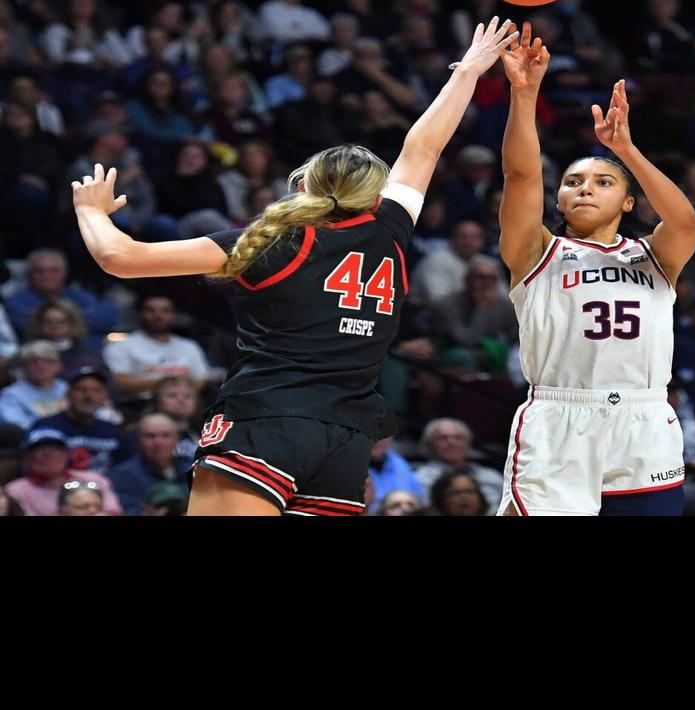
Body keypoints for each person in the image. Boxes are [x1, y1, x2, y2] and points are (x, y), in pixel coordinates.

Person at [70, 17, 521, 516]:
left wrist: (91, 212)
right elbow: (424, 146)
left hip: (266, 420)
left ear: (304, 183)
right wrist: (468, 72)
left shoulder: (278, 240)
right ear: (374, 194)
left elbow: (121, 258)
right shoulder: (391, 228)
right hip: (345, 441)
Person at [496, 27, 695, 516]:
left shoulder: (656, 256)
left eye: (602, 182)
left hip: (643, 419)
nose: (584, 189)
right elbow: (521, 176)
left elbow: (685, 220)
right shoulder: (536, 250)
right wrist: (524, 96)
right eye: (572, 182)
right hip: (560, 416)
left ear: (629, 202)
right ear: (559, 198)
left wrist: (625, 150)